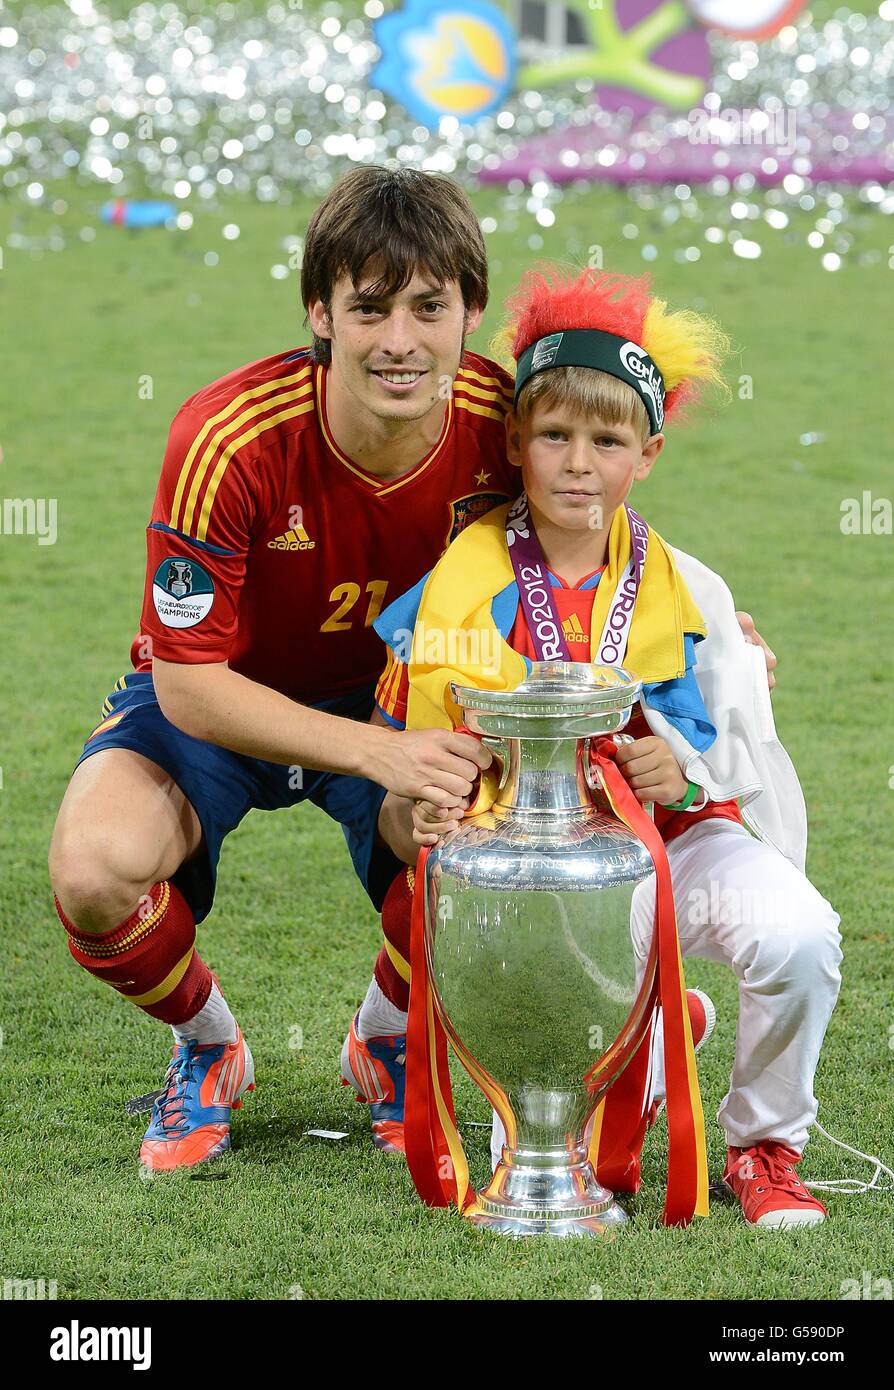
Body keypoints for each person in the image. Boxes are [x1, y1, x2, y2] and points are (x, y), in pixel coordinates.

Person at [48, 164, 774, 1175]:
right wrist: (375, 753)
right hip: (227, 701)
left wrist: (711, 623)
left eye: (429, 307)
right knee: (92, 868)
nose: (400, 340)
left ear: (471, 311)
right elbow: (188, 684)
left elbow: (594, 507)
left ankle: (387, 1033)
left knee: (474, 820)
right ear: (320, 312)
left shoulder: (501, 416)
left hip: (407, 699)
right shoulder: (228, 439)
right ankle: (207, 1048)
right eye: (369, 307)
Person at [345, 266, 842, 1229]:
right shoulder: (460, 581)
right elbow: (405, 794)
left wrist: (676, 764)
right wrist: (431, 808)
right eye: (555, 437)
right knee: (550, 1160)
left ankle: (765, 1147)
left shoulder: (681, 582)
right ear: (517, 443)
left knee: (800, 937)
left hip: (662, 849)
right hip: (524, 868)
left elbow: (718, 751)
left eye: (607, 441)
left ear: (645, 453)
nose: (579, 463)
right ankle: (617, 1054)